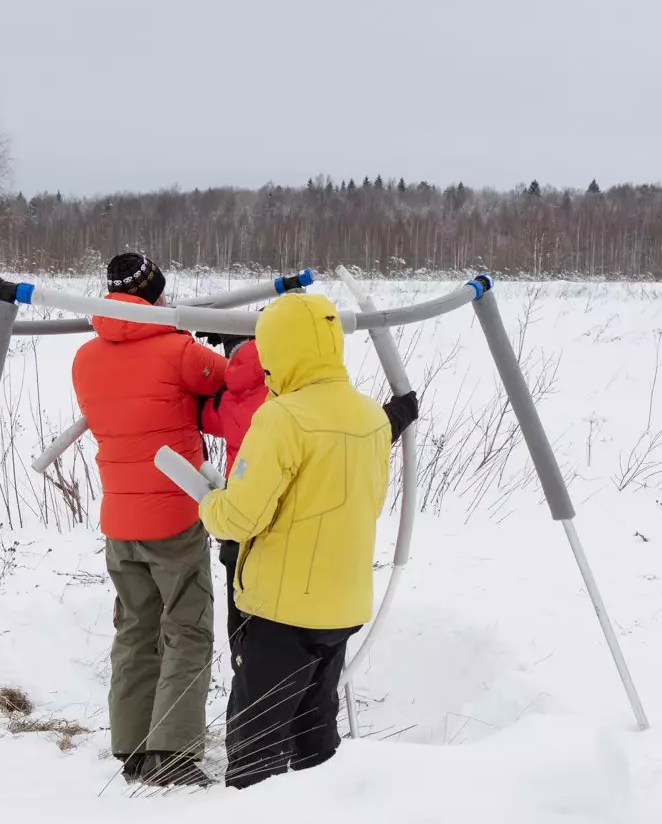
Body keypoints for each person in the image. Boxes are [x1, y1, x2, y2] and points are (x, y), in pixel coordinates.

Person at [197, 291, 418, 789]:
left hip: (282, 609)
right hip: (344, 605)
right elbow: (370, 503)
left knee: (258, 743)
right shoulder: (370, 417)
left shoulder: (282, 418)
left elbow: (241, 516)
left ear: (278, 348)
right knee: (316, 735)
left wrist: (210, 503)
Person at [72, 252, 227, 786]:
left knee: (135, 630)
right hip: (174, 517)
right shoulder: (179, 350)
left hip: (119, 518)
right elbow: (229, 378)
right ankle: (176, 754)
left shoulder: (85, 359)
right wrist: (215, 339)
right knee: (187, 629)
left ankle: (132, 745)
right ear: (156, 293)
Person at [198, 336, 268, 661]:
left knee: (241, 630)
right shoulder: (283, 393)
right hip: (276, 524)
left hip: (235, 516)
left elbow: (202, 417)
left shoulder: (226, 398)